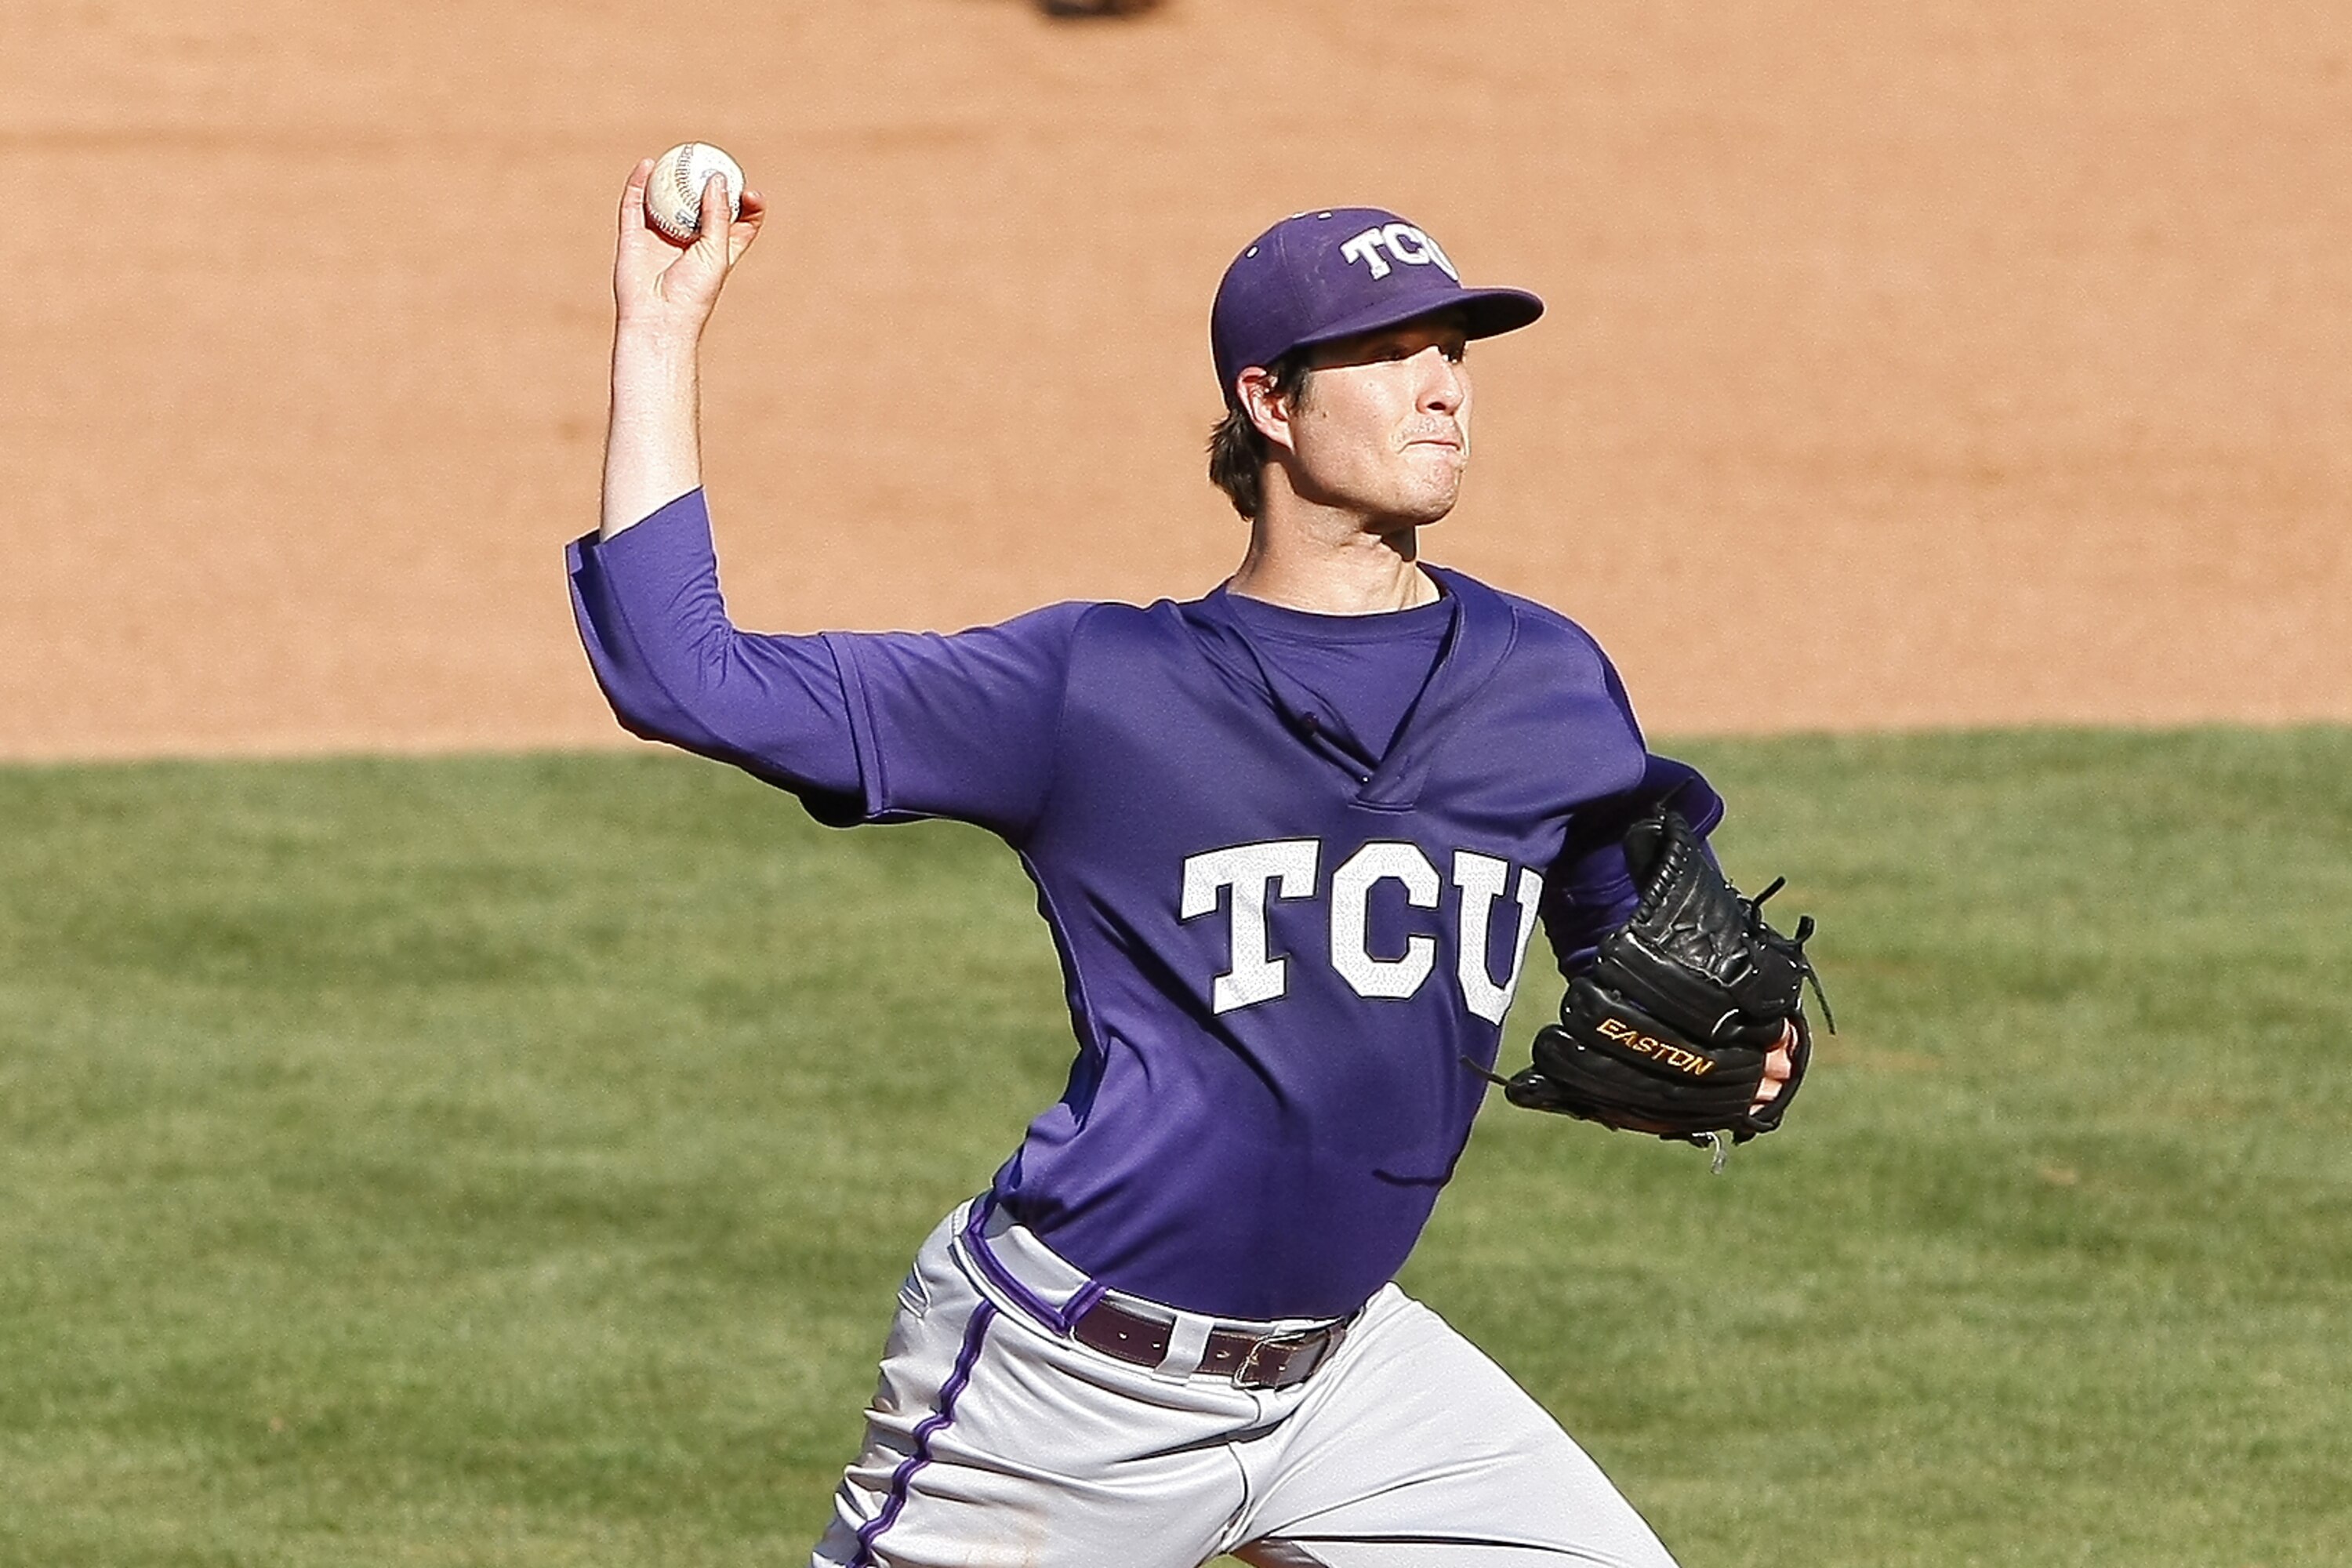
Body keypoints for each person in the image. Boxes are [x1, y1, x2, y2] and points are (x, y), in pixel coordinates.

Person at [570, 165, 1791, 1567]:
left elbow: (1634, 937)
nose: (1443, 386)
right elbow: (686, 676)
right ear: (1269, 405)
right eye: (1387, 356)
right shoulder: (1095, 689)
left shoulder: (1548, 681)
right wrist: (659, 331)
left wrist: (1734, 1052)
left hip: (1347, 1381)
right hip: (1062, 1393)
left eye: (1450, 350)